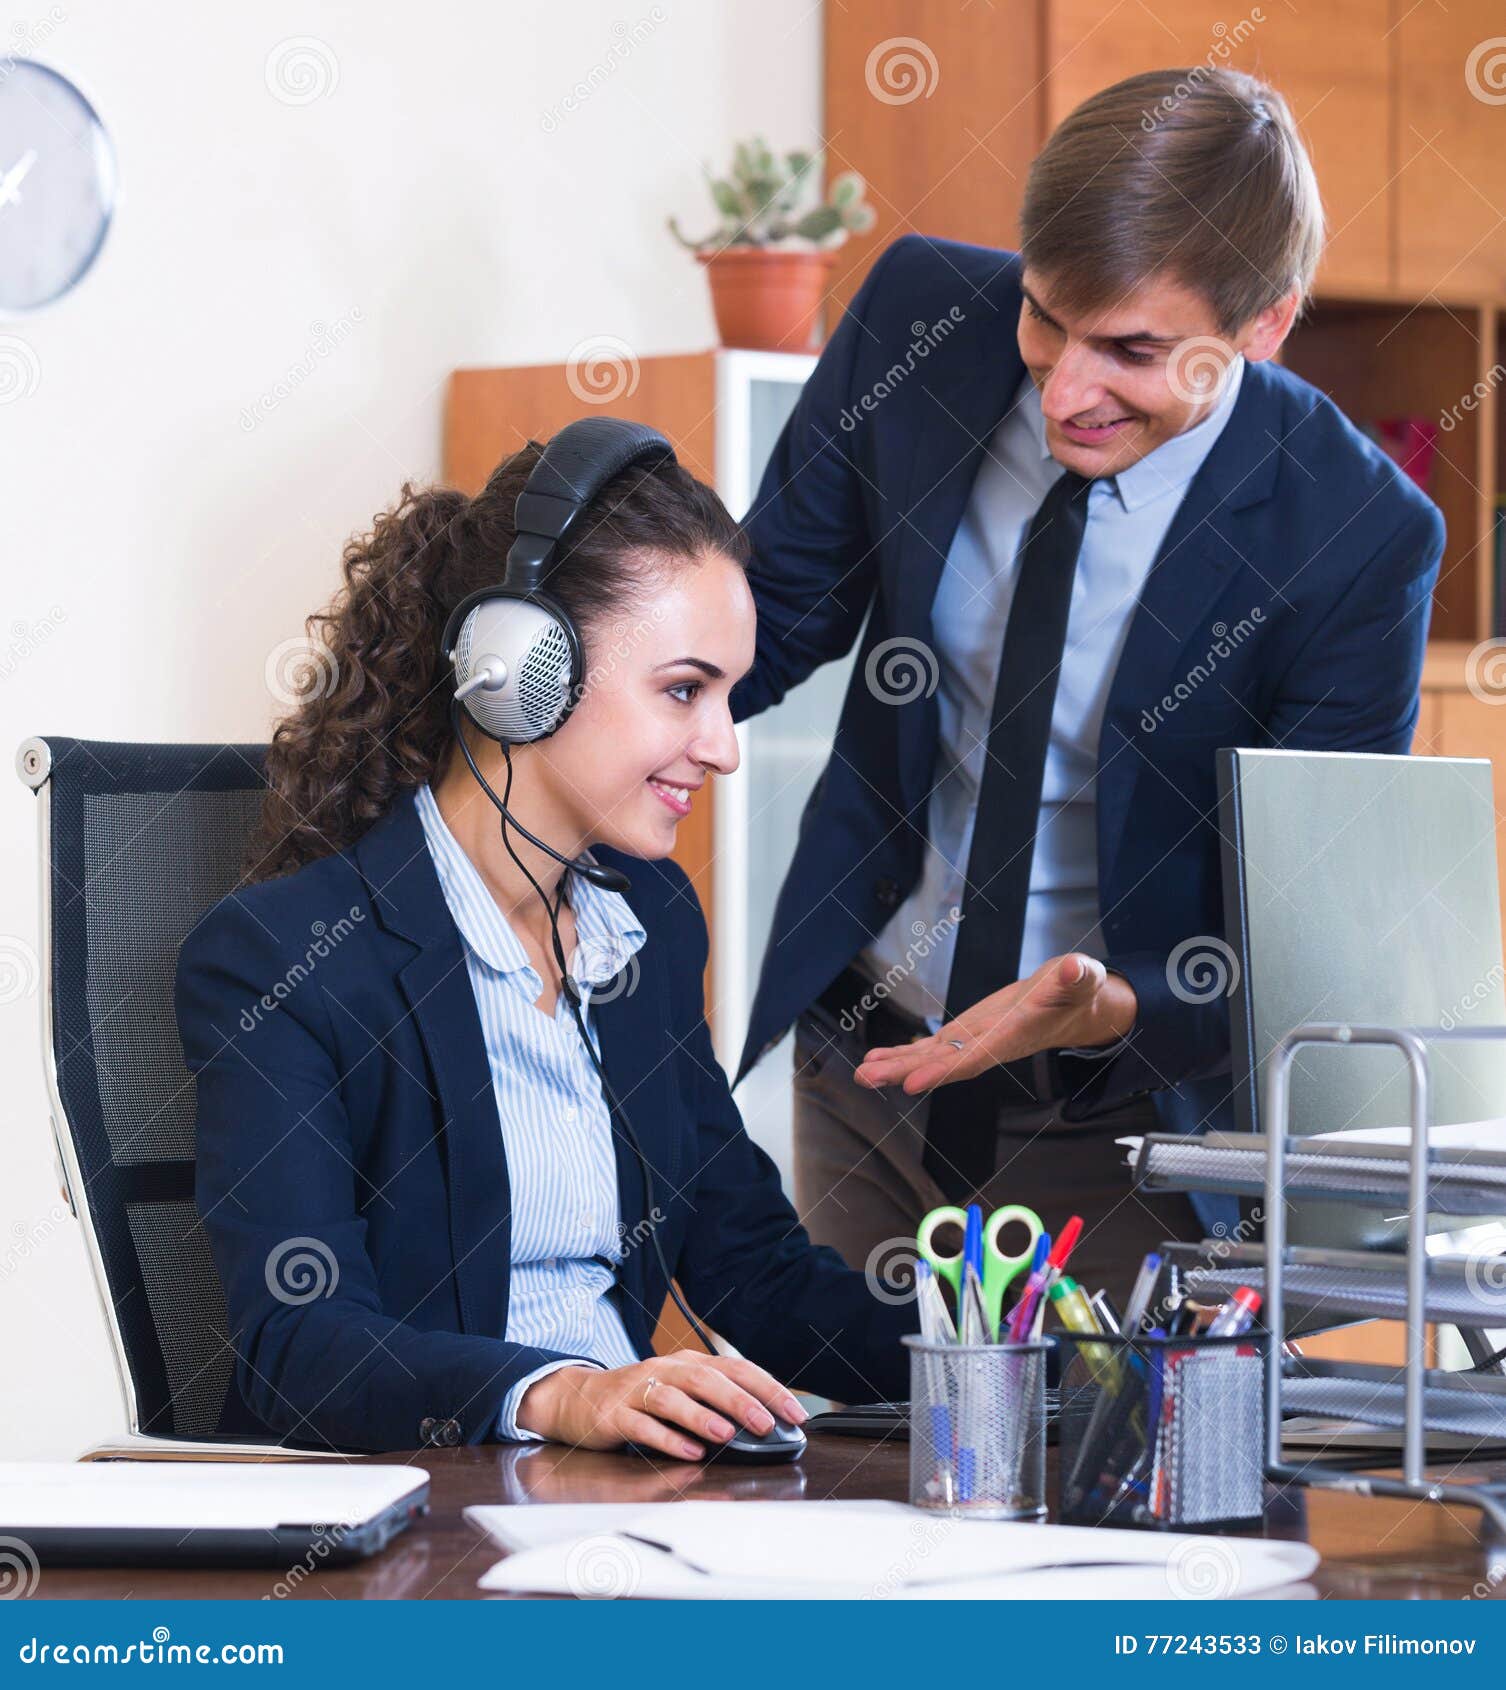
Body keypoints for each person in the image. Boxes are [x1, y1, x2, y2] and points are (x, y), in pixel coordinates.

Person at [729, 66, 1446, 1302]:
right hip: (867, 1057)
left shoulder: (1358, 535)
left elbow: (1308, 931)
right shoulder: (920, 318)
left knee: (1111, 1485)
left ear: (1263, 328)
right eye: (1046, 317)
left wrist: (1110, 1005)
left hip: (1125, 1128)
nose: (1064, 388)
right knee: (846, 1467)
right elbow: (769, 616)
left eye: (1131, 350)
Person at [175, 428, 915, 1457]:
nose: (724, 746)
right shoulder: (286, 959)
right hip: (428, 1520)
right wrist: (562, 1393)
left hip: (624, 1498)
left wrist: (1030, 1349)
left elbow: (757, 1270)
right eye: (684, 689)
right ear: (517, 670)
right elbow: (301, 1345)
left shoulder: (642, 923)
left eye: (730, 697)